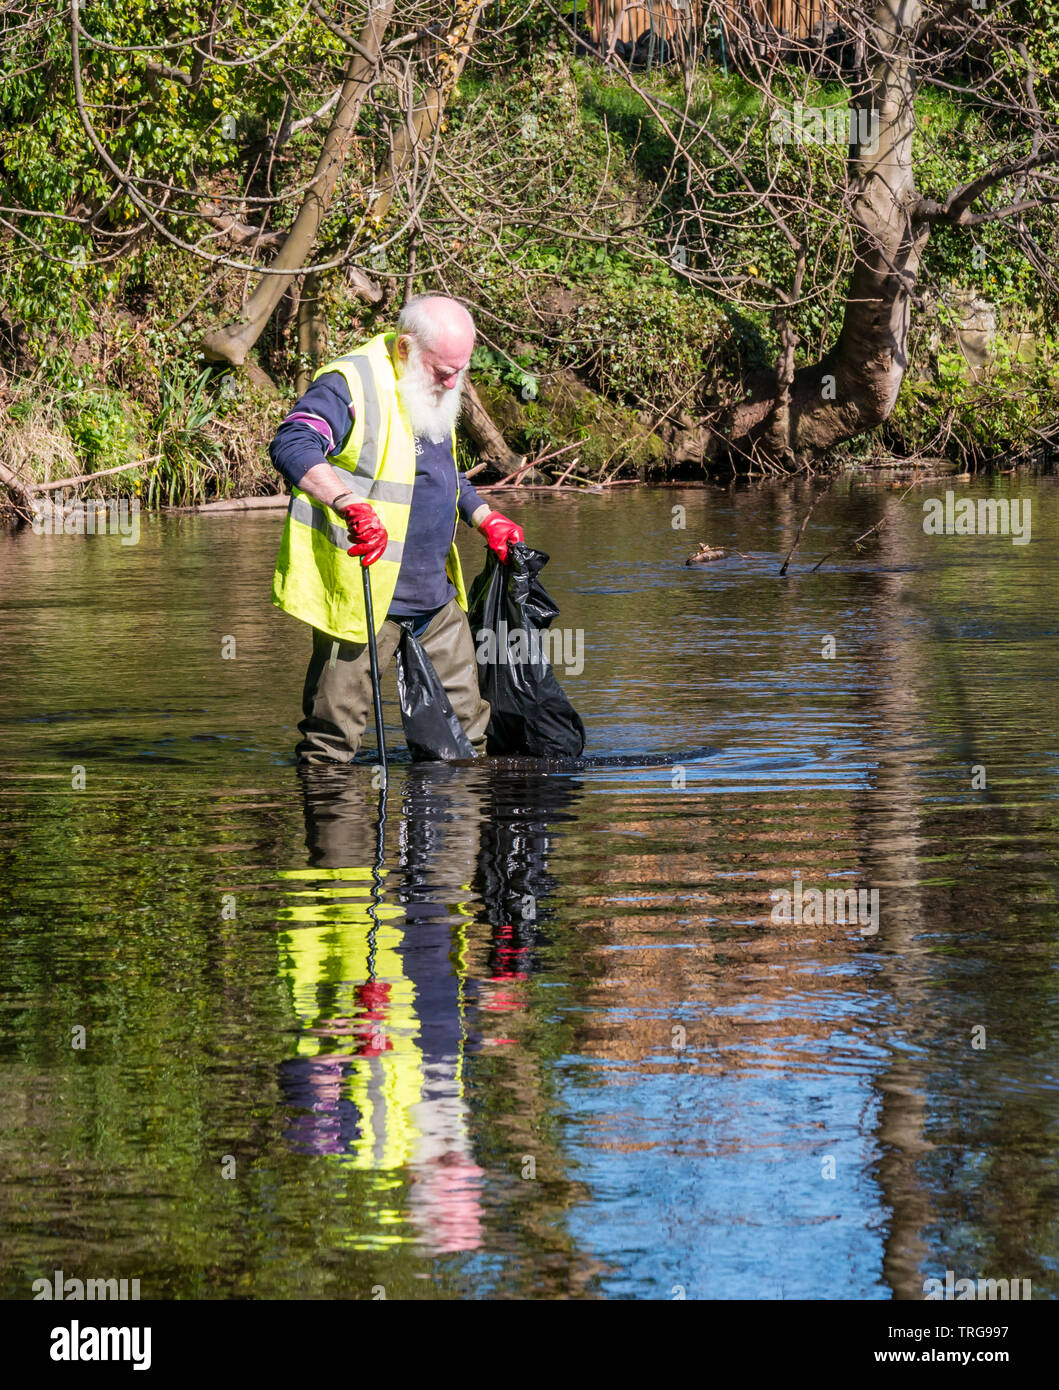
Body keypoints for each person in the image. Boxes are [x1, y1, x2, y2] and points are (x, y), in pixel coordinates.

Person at [269, 294, 524, 763]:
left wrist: (485, 517)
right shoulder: (351, 383)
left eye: (460, 370)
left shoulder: (432, 387)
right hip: (362, 600)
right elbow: (292, 442)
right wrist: (347, 503)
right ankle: (335, 828)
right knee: (332, 744)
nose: (453, 383)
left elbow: (435, 472)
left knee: (466, 744)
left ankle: (454, 833)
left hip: (436, 600)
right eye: (444, 371)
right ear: (405, 348)